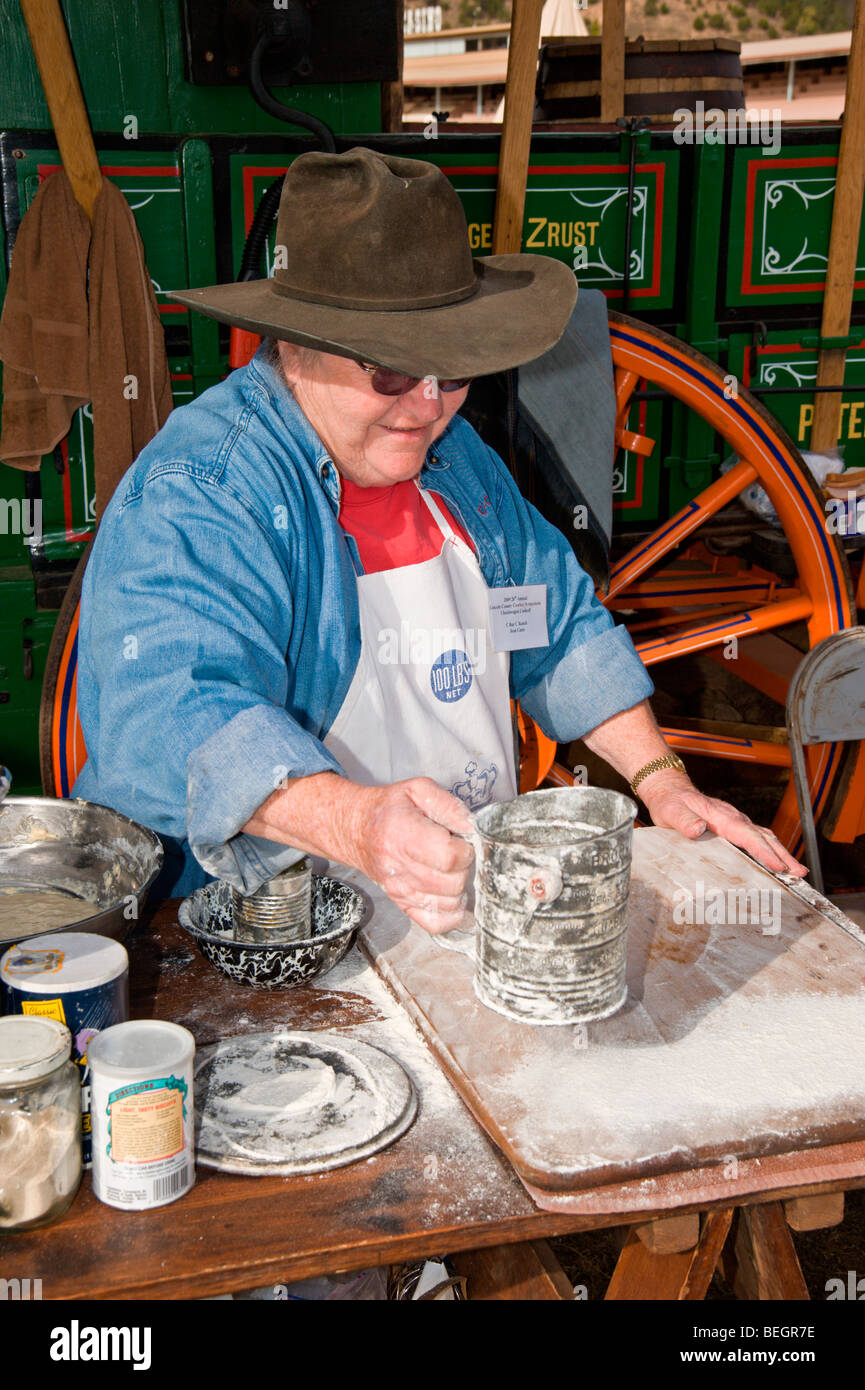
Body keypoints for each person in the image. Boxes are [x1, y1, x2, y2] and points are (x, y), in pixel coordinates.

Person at [73, 147, 806, 926]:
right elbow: (169, 710)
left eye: (451, 373)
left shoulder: (453, 461)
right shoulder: (205, 489)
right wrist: (358, 825)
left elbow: (555, 629)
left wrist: (663, 781)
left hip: (462, 902)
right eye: (390, 371)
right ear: (295, 342)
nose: (426, 407)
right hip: (270, 918)